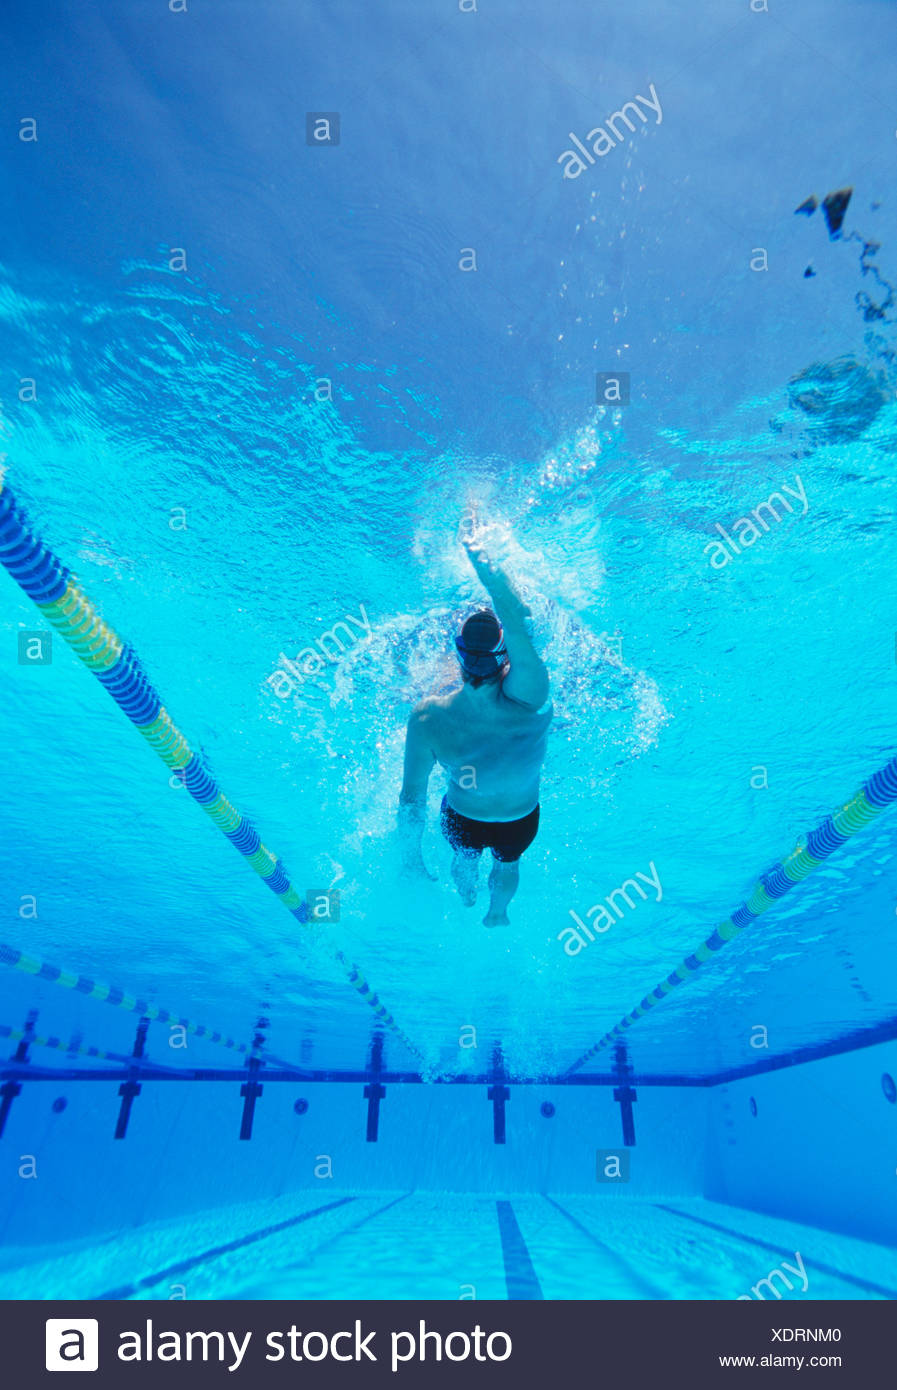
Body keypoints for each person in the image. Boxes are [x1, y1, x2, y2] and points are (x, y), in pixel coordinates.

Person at [399, 533, 552, 926]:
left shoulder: (429, 718)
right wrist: (480, 556)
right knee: (509, 865)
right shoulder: (528, 696)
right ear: (505, 654)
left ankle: (466, 895)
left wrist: (412, 859)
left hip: (463, 819)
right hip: (520, 820)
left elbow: (411, 800)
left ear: (459, 655)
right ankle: (497, 912)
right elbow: (518, 621)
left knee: (464, 858)